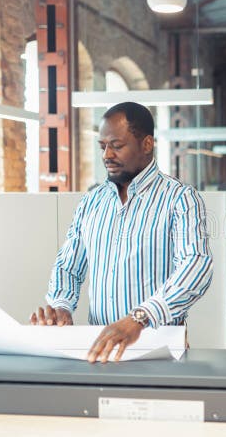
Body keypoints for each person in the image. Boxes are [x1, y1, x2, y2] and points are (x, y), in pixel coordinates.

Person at [29, 102, 213, 363]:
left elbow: (196, 266)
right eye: (102, 146)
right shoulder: (92, 201)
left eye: (116, 145)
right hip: (101, 351)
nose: (107, 155)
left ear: (147, 144)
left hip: (158, 351)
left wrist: (139, 318)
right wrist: (61, 306)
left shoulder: (180, 199)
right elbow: (68, 266)